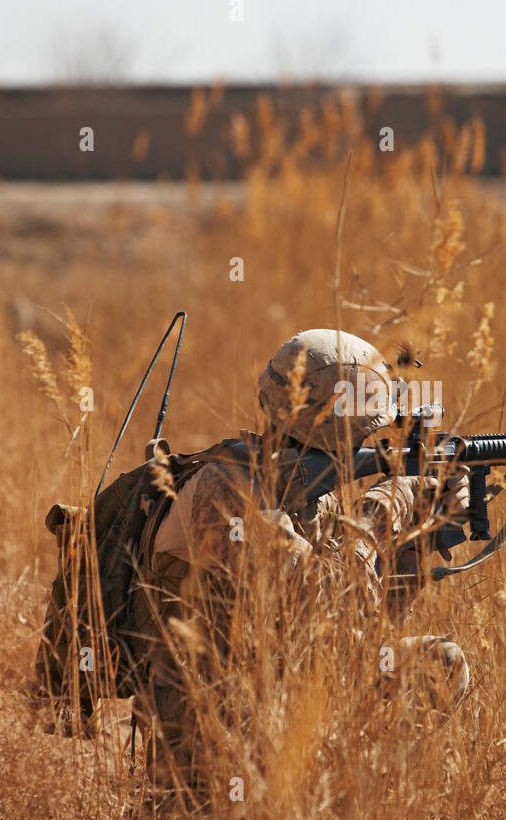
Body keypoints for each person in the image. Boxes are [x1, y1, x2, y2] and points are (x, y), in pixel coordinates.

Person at [126, 329, 470, 777]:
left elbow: (361, 631)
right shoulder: (229, 491)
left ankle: (359, 801)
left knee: (440, 663)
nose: (368, 445)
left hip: (285, 693)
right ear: (334, 428)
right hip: (215, 729)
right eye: (363, 435)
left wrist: (419, 532)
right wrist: (384, 509)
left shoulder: (307, 492)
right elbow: (333, 602)